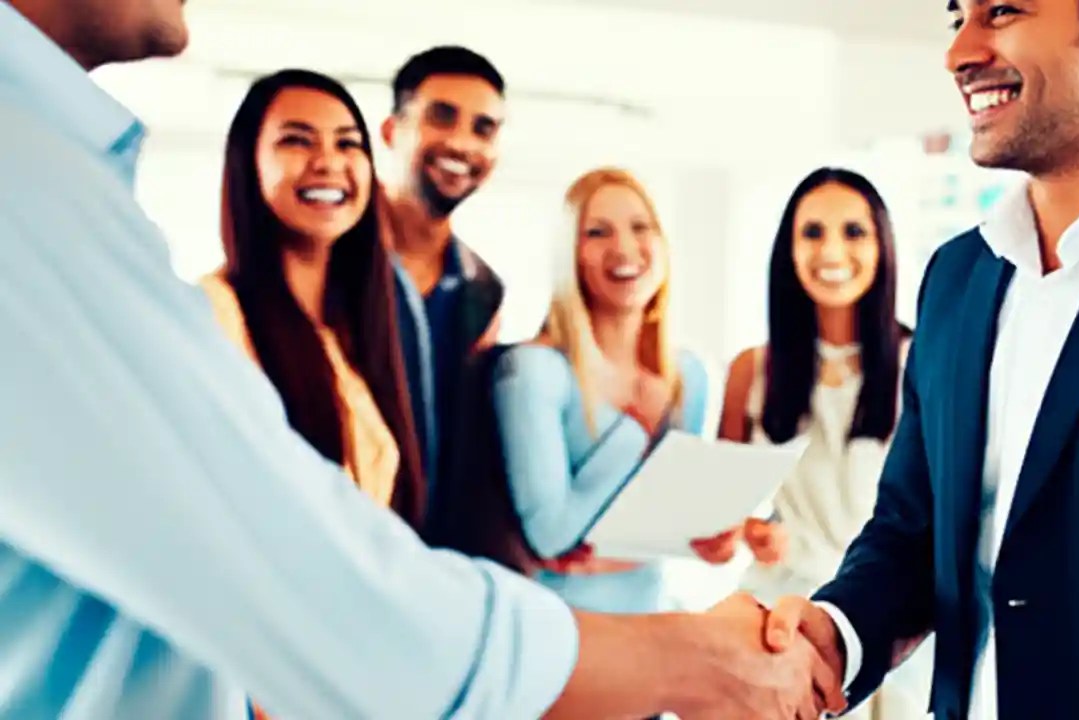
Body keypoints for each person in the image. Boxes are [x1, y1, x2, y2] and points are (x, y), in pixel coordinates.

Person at [0, 2, 848, 718]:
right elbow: (309, 565)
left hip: (415, 622)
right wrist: (694, 658)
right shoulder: (47, 200)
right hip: (384, 638)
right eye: (297, 141)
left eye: (487, 125)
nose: (330, 167)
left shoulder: (468, 294)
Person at [763, 1, 1079, 718]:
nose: (959, 53)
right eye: (958, 16)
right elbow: (912, 532)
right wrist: (836, 635)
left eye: (1002, 11)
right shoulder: (956, 279)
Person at [721, 167, 930, 719]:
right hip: (781, 615)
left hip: (885, 623)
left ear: (882, 245)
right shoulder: (753, 371)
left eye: (853, 232)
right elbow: (721, 513)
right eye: (812, 232)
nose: (831, 249)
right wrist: (754, 532)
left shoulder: (922, 364)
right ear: (787, 248)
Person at [491, 167, 747, 614]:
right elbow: (550, 534)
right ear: (571, 255)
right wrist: (632, 434)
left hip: (653, 613)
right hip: (558, 623)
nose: (624, 248)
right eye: (597, 232)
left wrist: (721, 537)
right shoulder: (533, 372)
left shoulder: (690, 376)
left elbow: (675, 525)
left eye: (640, 227)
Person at [202, 69, 425, 528]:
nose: (328, 162)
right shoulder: (216, 311)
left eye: (347, 143)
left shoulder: (356, 327)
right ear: (250, 163)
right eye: (297, 141)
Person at [379, 45, 506, 533]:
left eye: (483, 129)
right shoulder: (330, 257)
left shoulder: (483, 288)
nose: (462, 143)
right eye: (442, 117)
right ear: (393, 131)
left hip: (437, 558)